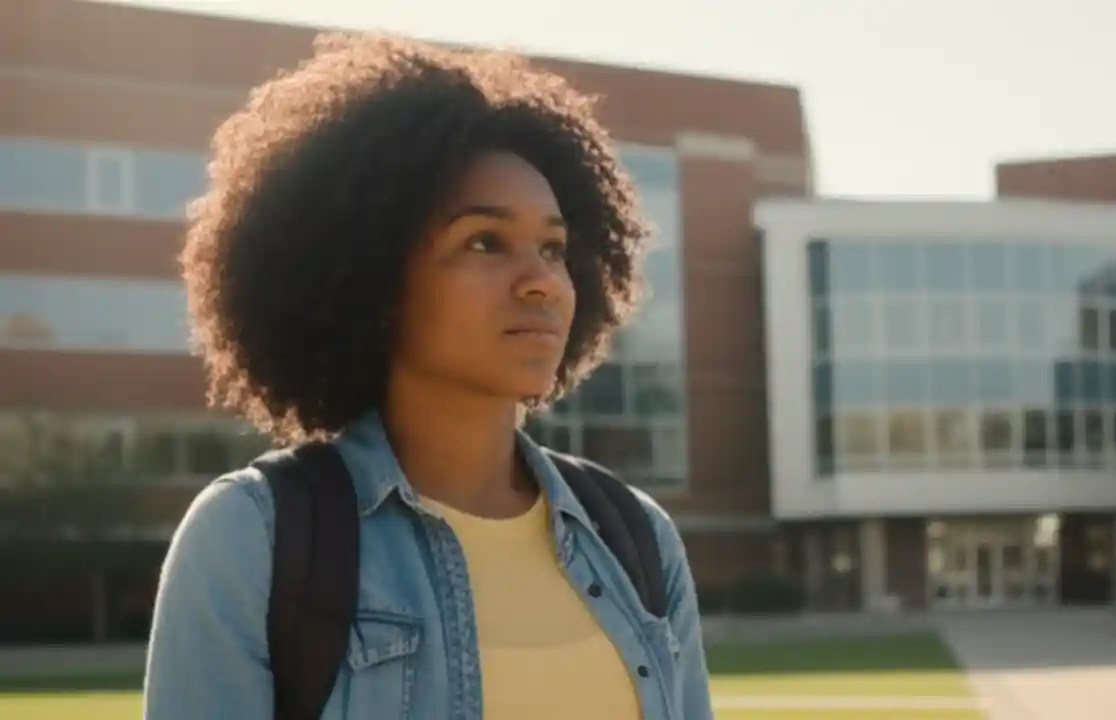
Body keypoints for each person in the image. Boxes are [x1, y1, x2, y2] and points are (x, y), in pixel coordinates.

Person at [143, 32, 713, 720]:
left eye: (554, 248)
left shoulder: (637, 542)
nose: (542, 283)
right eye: (483, 242)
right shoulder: (251, 538)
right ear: (372, 275)